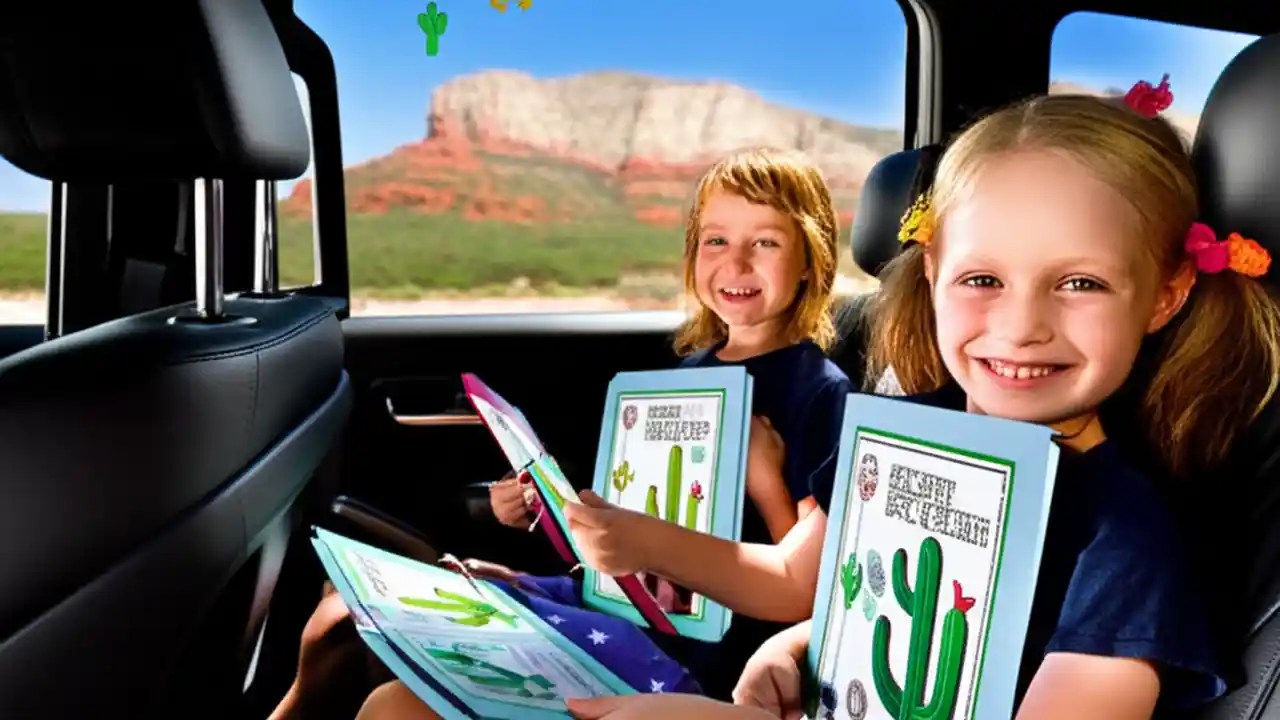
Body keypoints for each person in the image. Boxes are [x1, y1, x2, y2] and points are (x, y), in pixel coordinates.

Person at [551, 78, 1278, 719]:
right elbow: (836, 594)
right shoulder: (904, 434)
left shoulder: (1125, 541)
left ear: (1166, 295)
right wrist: (797, 646)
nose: (1021, 328)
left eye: (1080, 283)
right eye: (982, 280)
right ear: (931, 272)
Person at [332, 146, 857, 716]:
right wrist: (554, 532)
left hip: (706, 657)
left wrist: (764, 483)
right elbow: (643, 525)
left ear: (810, 260)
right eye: (716, 241)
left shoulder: (821, 391)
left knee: (393, 706)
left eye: (766, 243)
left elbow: (808, 582)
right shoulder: (689, 374)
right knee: (342, 621)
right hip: (628, 613)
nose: (736, 263)